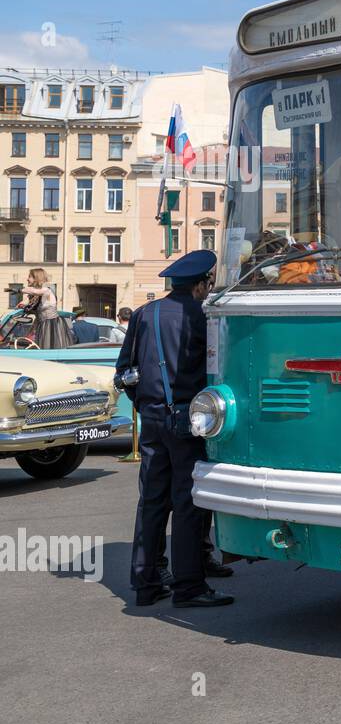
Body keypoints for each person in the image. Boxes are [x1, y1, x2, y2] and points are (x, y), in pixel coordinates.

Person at [118, 250, 234, 609]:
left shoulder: (143, 314)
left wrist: (146, 405)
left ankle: (147, 582)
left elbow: (124, 372)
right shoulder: (202, 317)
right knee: (188, 503)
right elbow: (218, 372)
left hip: (151, 419)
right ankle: (189, 586)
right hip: (189, 421)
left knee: (152, 500)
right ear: (201, 285)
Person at [19, 268, 73, 349]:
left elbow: (35, 291)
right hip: (43, 325)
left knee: (51, 347)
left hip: (52, 325)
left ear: (36, 278)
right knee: (42, 347)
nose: (27, 279)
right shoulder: (34, 296)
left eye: (29, 277)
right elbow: (38, 315)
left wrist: (18, 290)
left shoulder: (47, 290)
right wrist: (30, 332)